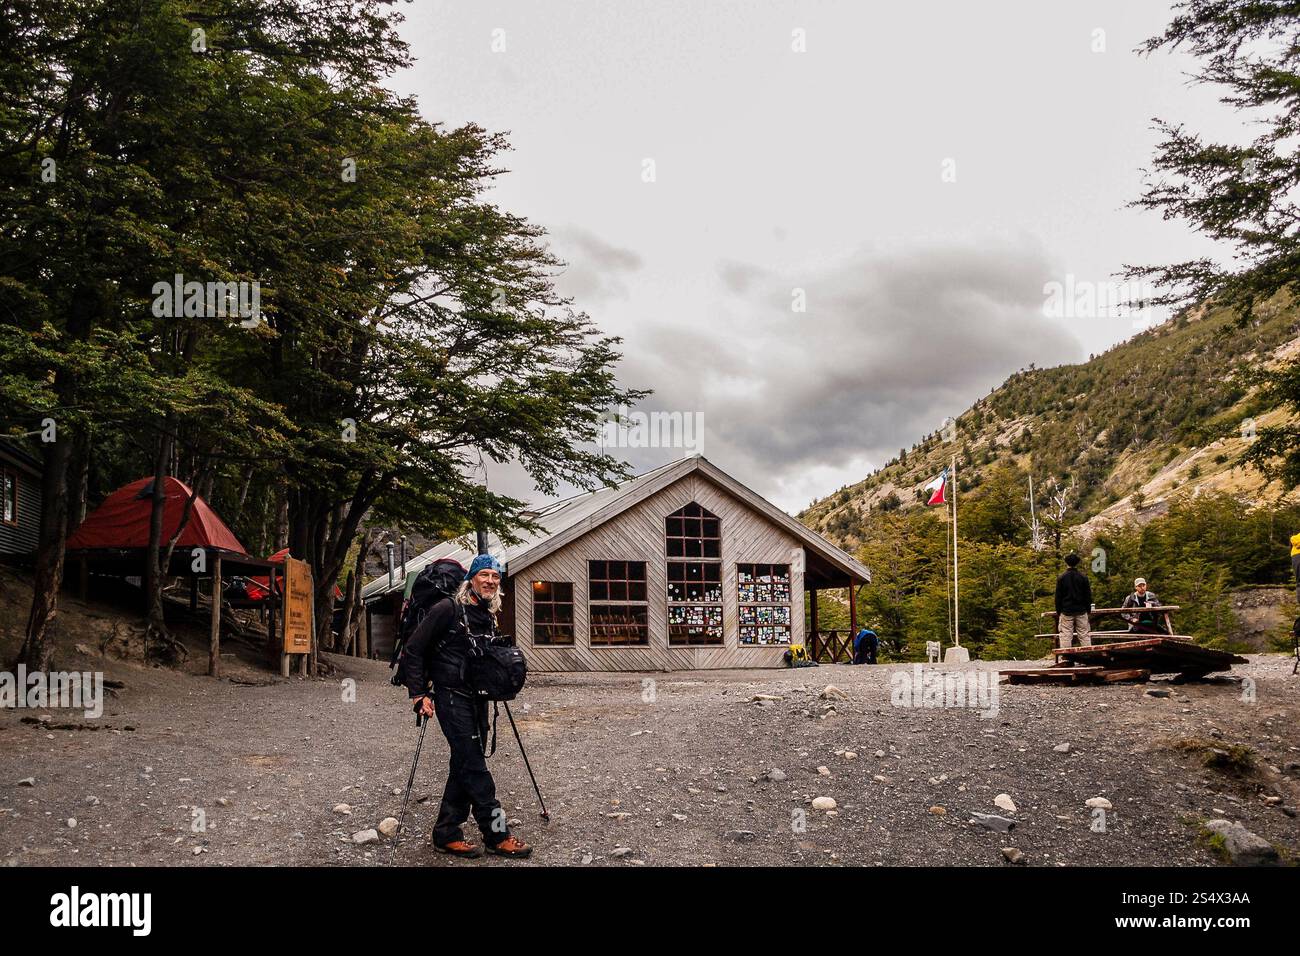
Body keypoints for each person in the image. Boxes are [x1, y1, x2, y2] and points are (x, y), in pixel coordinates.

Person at [402, 553, 532, 859]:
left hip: (478, 697)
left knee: (464, 763)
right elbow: (414, 650)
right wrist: (419, 693)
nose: (490, 581)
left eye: (495, 576)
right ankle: (497, 834)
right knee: (474, 766)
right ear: (471, 578)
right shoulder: (447, 609)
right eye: (484, 574)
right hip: (449, 697)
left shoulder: (487, 613)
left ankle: (446, 833)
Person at [1054, 552, 1093, 649]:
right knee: (1084, 634)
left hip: (1066, 610)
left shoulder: (1062, 578)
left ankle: (1067, 657)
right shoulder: (1083, 577)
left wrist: (1059, 611)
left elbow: (1058, 596)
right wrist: (1088, 609)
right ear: (1077, 563)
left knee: (1066, 634)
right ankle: (1087, 655)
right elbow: (1087, 595)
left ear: (1066, 562)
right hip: (1081, 610)